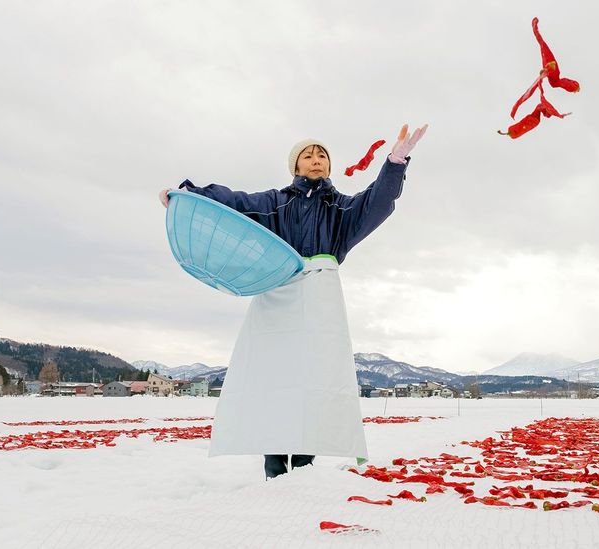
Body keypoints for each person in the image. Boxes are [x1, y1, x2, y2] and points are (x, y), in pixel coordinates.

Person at [159, 124, 427, 479]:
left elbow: (378, 201)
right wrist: (190, 193)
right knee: (273, 379)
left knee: (314, 379)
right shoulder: (274, 202)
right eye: (308, 155)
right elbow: (235, 201)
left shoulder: (342, 209)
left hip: (321, 298)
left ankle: (303, 467)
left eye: (322, 156)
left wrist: (395, 163)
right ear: (295, 166)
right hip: (277, 292)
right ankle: (273, 466)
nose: (316, 160)